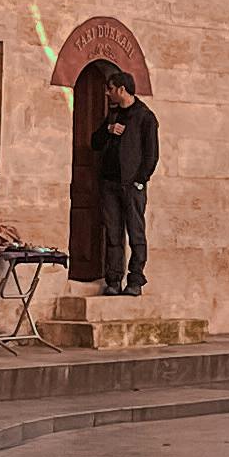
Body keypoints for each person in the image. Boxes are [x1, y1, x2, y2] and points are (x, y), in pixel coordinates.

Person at [90, 74, 159, 296]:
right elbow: (95, 142)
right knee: (113, 233)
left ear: (121, 89)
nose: (107, 93)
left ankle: (136, 279)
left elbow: (151, 155)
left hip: (132, 185)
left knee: (136, 233)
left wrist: (140, 180)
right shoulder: (113, 114)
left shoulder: (145, 117)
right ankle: (113, 280)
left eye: (110, 89)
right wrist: (108, 130)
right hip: (110, 183)